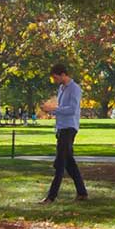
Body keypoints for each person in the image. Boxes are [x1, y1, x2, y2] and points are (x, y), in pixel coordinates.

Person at [44, 63, 88, 202]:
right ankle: (82, 193)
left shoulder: (75, 89)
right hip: (62, 127)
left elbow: (72, 110)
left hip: (69, 128)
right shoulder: (61, 88)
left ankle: (51, 196)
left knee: (60, 163)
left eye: (56, 78)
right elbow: (62, 108)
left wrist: (54, 110)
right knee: (69, 162)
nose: (55, 81)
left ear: (63, 74)